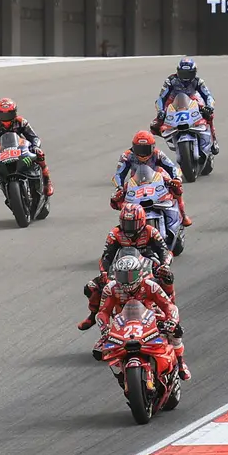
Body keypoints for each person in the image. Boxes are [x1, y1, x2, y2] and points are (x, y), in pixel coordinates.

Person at [78, 203, 174, 331]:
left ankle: (171, 312)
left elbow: (164, 251)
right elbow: (106, 256)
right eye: (125, 223)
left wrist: (165, 266)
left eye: (132, 224)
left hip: (148, 263)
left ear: (142, 221)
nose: (128, 228)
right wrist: (104, 273)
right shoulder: (115, 233)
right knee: (91, 287)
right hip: (123, 265)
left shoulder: (151, 231)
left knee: (166, 278)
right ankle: (93, 315)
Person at [95, 255, 190, 380]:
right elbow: (103, 312)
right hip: (124, 325)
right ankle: (122, 375)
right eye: (122, 276)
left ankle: (180, 362)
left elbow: (169, 306)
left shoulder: (151, 286)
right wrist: (104, 328)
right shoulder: (110, 289)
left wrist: (171, 321)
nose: (126, 281)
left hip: (152, 320)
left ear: (139, 273)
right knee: (100, 351)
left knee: (176, 332)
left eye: (130, 276)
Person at [0, 98, 53, 212]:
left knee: (40, 155)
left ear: (15, 112)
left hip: (21, 151)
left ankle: (47, 183)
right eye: (3, 115)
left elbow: (34, 137)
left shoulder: (21, 121)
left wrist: (35, 147)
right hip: (1, 154)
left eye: (9, 114)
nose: (6, 118)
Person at [112, 130, 193, 227]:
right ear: (133, 147)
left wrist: (176, 179)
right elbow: (118, 174)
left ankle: (183, 215)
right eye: (139, 149)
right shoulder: (126, 156)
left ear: (153, 147)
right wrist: (119, 188)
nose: (142, 153)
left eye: (146, 149)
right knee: (119, 198)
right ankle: (127, 223)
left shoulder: (158, 154)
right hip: (136, 181)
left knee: (176, 188)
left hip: (157, 179)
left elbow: (172, 167)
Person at [150, 57, 218, 154]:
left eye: (189, 74)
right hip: (174, 101)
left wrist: (210, 107)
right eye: (183, 74)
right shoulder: (170, 81)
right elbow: (161, 98)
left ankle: (213, 140)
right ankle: (152, 150)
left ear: (194, 72)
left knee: (209, 115)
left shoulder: (198, 82)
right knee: (154, 125)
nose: (186, 77)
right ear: (178, 72)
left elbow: (208, 96)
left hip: (192, 100)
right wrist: (160, 111)